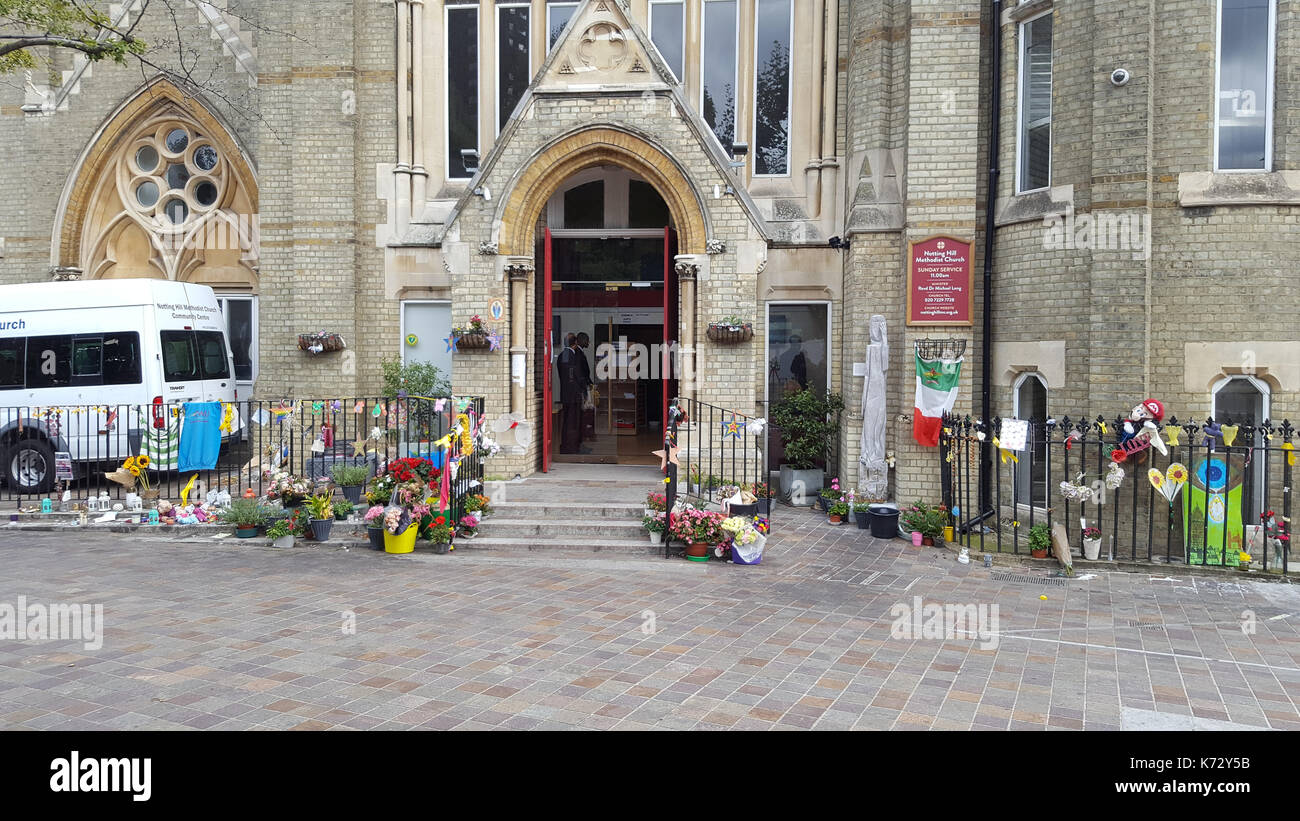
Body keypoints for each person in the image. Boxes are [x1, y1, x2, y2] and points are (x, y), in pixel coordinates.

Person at [556, 333, 582, 453]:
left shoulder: (561, 356)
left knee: (566, 420)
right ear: (575, 343)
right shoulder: (573, 357)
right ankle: (571, 446)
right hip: (574, 394)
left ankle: (565, 445)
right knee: (573, 421)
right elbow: (577, 375)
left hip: (565, 393)